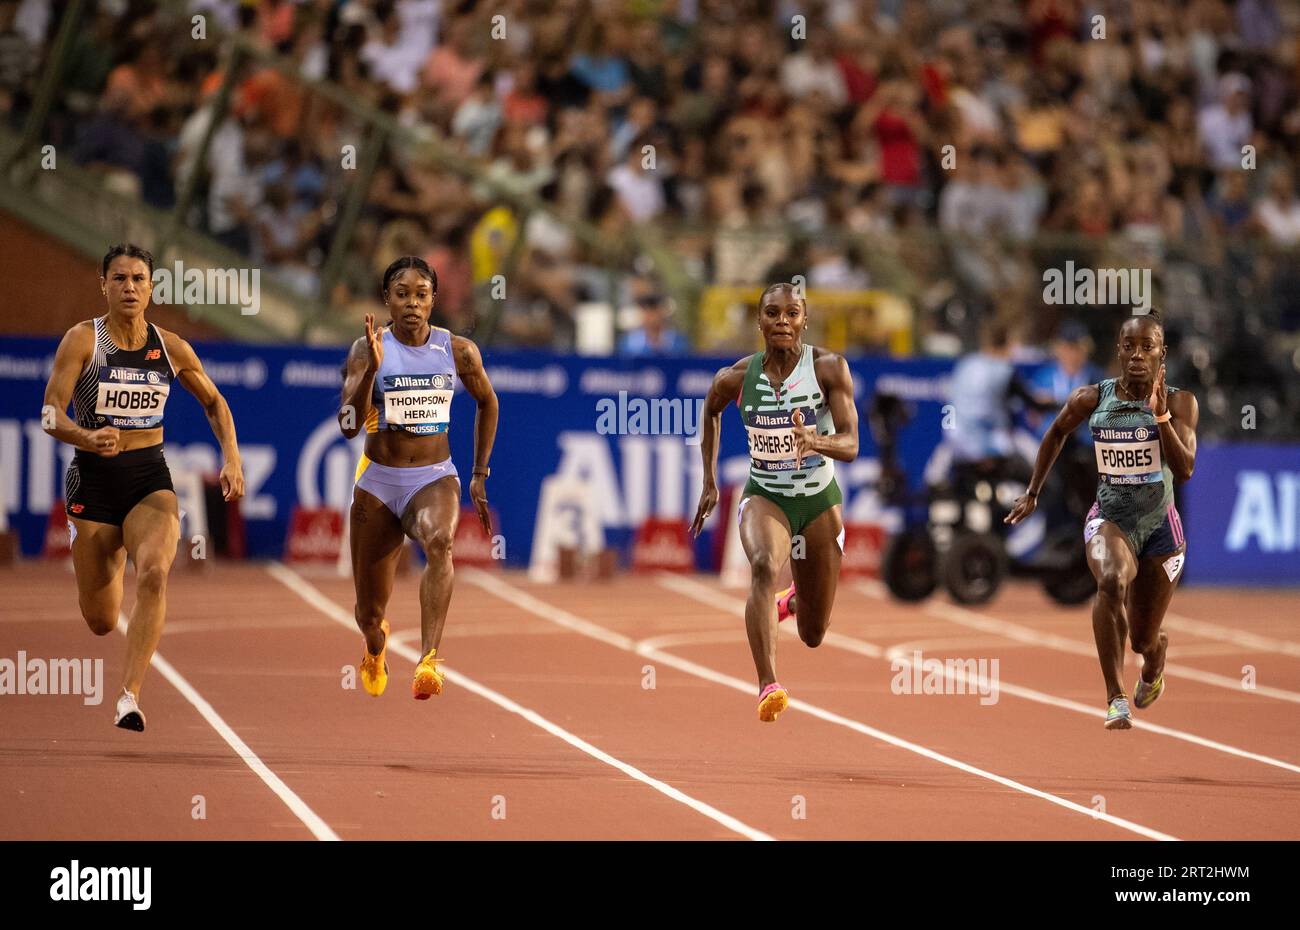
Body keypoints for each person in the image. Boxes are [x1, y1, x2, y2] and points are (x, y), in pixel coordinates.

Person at [41, 243, 245, 731]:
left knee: (154, 573)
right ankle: (91, 556)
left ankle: (128, 695)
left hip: (149, 477)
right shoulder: (83, 341)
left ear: (152, 287)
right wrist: (87, 436)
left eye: (138, 279)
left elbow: (215, 404)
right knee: (102, 620)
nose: (129, 287)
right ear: (104, 285)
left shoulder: (170, 347)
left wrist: (232, 458)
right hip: (92, 481)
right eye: (119, 278)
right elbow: (50, 413)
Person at [1006, 311, 1198, 729]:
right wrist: (1033, 491)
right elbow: (1056, 431)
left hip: (1161, 529)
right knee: (1110, 581)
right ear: (1118, 351)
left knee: (1143, 637)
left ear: (1161, 353)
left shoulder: (1181, 402)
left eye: (1147, 347)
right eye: (1129, 346)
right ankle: (1116, 698)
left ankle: (1155, 658)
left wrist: (1161, 417)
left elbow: (1184, 469)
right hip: (1110, 518)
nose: (1136, 355)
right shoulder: (1091, 398)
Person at [690, 283, 859, 722]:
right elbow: (710, 409)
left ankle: (791, 602)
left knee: (814, 633)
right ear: (759, 322)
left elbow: (852, 443)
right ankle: (768, 684)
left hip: (819, 501)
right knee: (763, 563)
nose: (782, 321)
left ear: (804, 320)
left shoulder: (828, 368)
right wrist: (709, 482)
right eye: (772, 314)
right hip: (766, 496)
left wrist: (816, 440)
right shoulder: (736, 377)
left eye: (792, 313)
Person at [339, 256, 498, 700]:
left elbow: (489, 402)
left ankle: (430, 660)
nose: (412, 303)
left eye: (421, 295)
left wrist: (479, 473)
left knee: (441, 543)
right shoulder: (365, 348)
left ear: (434, 301)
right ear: (387, 300)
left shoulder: (458, 351)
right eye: (402, 294)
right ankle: (375, 647)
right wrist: (371, 367)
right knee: (368, 613)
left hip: (433, 477)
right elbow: (349, 424)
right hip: (378, 483)